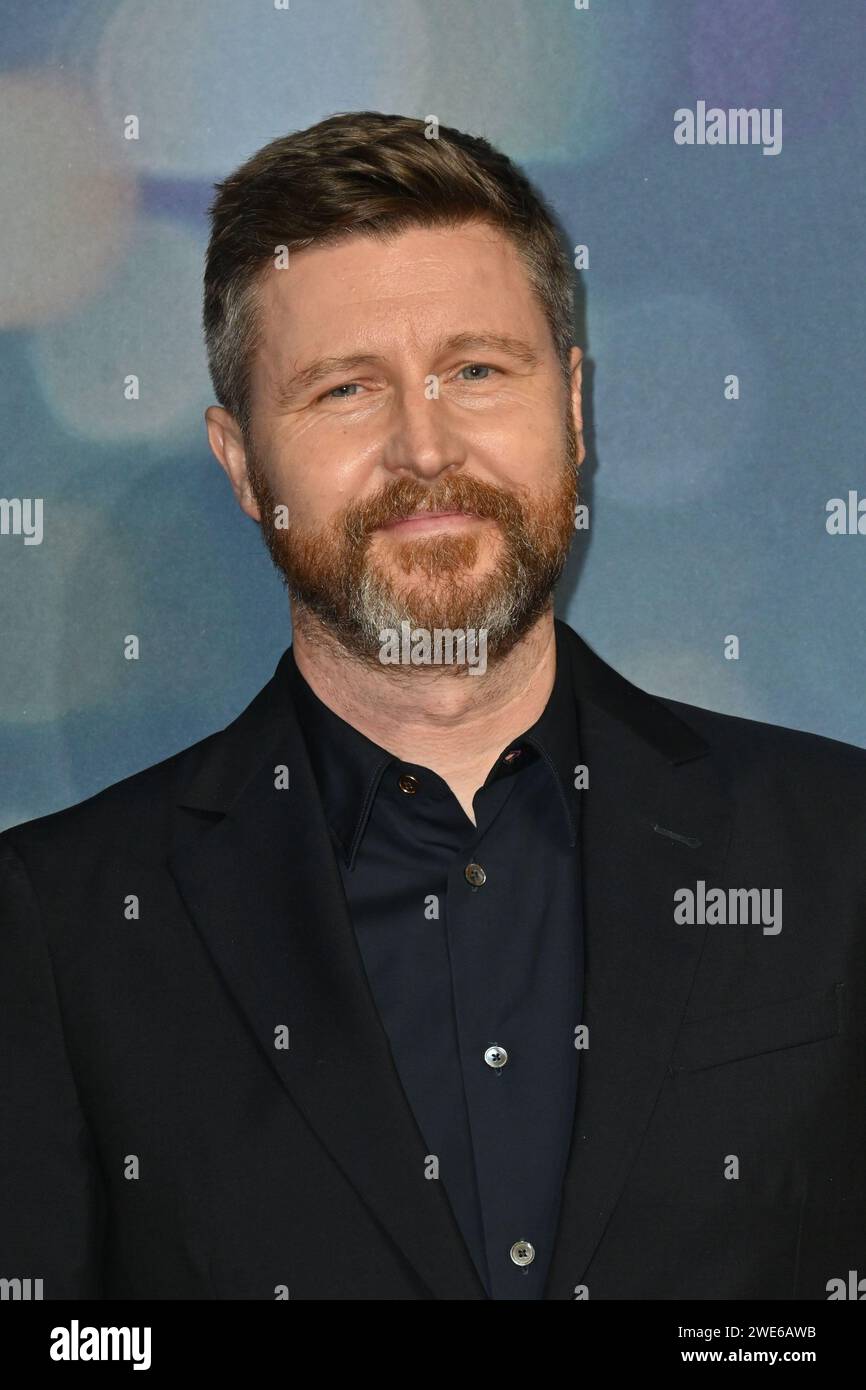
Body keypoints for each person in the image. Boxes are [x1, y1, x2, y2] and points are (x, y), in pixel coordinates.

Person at [1, 112, 864, 1301]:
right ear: (243, 466)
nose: (423, 446)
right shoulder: (57, 929)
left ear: (571, 405)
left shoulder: (836, 848)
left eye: (473, 370)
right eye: (344, 388)